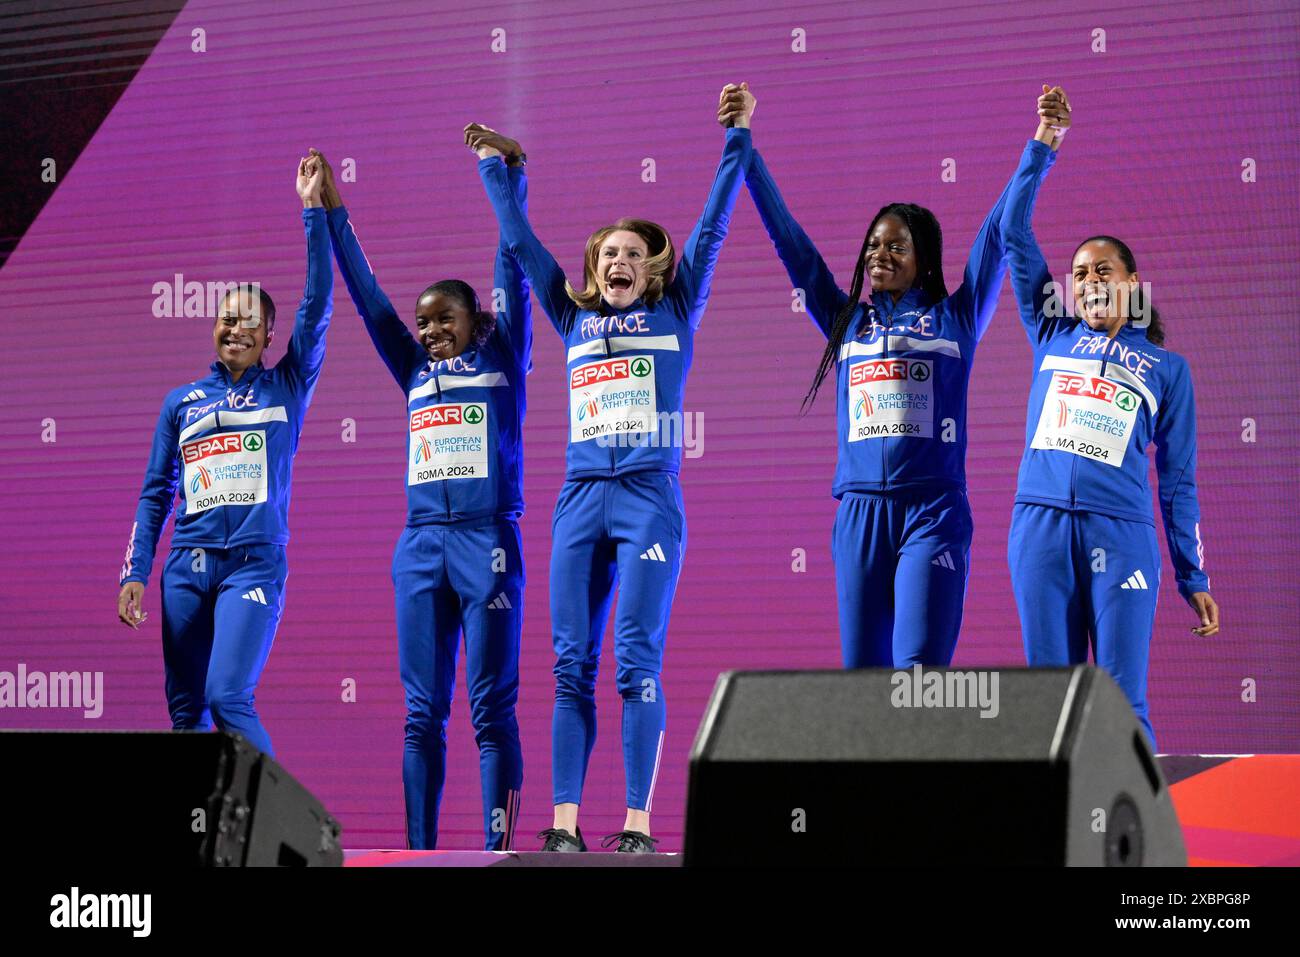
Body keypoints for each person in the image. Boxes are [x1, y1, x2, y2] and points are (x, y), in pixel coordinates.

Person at [467, 87, 754, 853]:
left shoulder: (676, 307)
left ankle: (636, 823)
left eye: (633, 253)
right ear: (592, 270)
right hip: (579, 501)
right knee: (569, 663)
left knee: (636, 658)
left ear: (653, 270)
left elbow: (715, 222)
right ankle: (562, 825)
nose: (619, 260)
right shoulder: (573, 317)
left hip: (649, 501)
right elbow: (522, 243)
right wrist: (499, 168)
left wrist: (738, 135)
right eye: (608, 254)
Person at [739, 81, 1036, 669]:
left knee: (919, 674)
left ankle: (923, 761)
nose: (879, 255)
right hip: (859, 517)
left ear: (924, 257)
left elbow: (999, 232)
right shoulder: (846, 320)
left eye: (896, 247)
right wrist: (744, 147)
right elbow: (792, 245)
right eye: (873, 245)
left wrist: (1041, 146)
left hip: (933, 510)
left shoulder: (958, 313)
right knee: (866, 685)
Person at [317, 136, 531, 850]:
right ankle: (419, 853)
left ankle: (500, 849)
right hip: (418, 552)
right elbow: (368, 296)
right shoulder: (411, 370)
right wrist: (331, 207)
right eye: (425, 321)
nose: (431, 330)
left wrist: (504, 172)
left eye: (446, 318)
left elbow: (514, 256)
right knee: (420, 713)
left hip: (487, 543)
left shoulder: (504, 357)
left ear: (478, 322)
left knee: (492, 711)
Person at [1001, 86, 1219, 748]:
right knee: (1054, 703)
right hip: (1037, 530)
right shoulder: (1050, 329)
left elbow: (1178, 482)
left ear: (1130, 283)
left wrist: (1194, 576)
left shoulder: (1167, 369)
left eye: (1103, 270)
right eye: (1079, 271)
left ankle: (1133, 844)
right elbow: (1012, 229)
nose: (1089, 279)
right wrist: (1044, 142)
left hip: (1122, 534)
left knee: (1122, 702)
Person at [117, 151, 333, 758]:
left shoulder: (286, 386)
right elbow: (155, 492)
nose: (235, 328)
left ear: (269, 336)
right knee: (186, 711)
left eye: (249, 322)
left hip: (253, 566)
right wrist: (135, 572)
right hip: (185, 566)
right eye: (225, 319)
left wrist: (311, 213)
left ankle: (280, 828)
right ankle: (208, 840)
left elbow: (315, 308)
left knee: (227, 696)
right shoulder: (180, 402)